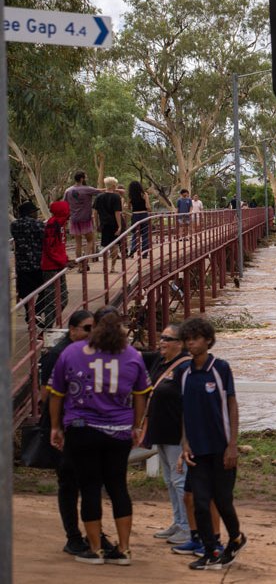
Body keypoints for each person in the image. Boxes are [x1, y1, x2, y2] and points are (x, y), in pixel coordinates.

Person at [48, 306, 151, 566]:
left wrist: (55, 427)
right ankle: (124, 550)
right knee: (118, 487)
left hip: (82, 429)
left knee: (90, 487)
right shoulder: (132, 355)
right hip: (118, 431)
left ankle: (95, 549)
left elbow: (56, 393)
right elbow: (142, 394)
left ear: (95, 326)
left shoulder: (72, 352)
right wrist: (137, 425)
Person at [37, 310, 113, 557]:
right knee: (69, 483)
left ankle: (95, 535)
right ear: (73, 330)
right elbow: (46, 395)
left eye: (95, 329)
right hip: (64, 429)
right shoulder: (57, 355)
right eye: (87, 329)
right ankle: (73, 537)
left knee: (90, 483)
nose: (92, 333)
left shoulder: (89, 354)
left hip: (86, 427)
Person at [178, 317, 247, 569]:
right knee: (200, 501)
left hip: (220, 448)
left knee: (223, 500)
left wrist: (232, 445)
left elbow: (232, 405)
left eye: (195, 338)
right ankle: (211, 551)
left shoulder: (220, 368)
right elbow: (185, 412)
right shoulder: (184, 374)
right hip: (197, 450)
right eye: (187, 339)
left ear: (207, 340)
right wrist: (185, 443)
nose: (190, 343)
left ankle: (236, 537)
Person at [141, 323, 195, 546]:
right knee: (169, 480)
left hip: (176, 433)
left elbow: (191, 404)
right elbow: (130, 354)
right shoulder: (158, 360)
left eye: (167, 338)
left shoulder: (185, 367)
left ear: (180, 344)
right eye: (161, 337)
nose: (162, 341)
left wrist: (187, 440)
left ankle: (187, 527)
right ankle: (178, 521)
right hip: (160, 430)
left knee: (179, 480)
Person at [37, 201, 72, 327]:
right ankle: (48, 327)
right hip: (51, 267)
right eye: (67, 210)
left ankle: (48, 324)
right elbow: (50, 248)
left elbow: (60, 246)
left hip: (59, 265)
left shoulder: (61, 224)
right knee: (51, 298)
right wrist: (63, 261)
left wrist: (66, 260)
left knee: (63, 298)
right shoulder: (53, 225)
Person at [13, 202, 45, 318]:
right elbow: (44, 239)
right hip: (37, 263)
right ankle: (35, 312)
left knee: (26, 293)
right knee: (45, 290)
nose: (37, 214)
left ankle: (30, 313)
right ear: (31, 213)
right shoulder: (38, 224)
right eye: (35, 212)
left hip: (22, 264)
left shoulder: (14, 225)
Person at [64, 171, 103, 259]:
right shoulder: (87, 189)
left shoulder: (68, 191)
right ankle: (84, 259)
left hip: (74, 219)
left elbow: (65, 203)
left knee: (78, 243)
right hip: (86, 219)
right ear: (82, 179)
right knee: (90, 240)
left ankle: (80, 264)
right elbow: (101, 191)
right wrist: (113, 189)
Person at [93, 177, 125, 257]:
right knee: (114, 245)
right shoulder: (116, 197)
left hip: (104, 223)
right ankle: (112, 268)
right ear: (114, 185)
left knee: (105, 245)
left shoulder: (99, 197)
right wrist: (120, 226)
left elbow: (95, 213)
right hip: (114, 224)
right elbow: (117, 212)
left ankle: (105, 266)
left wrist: (96, 225)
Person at [128, 180, 151, 256]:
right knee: (145, 234)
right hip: (144, 215)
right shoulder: (144, 194)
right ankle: (144, 252)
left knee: (135, 233)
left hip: (135, 215)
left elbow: (129, 207)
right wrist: (149, 210)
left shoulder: (130, 196)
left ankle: (133, 247)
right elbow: (148, 206)